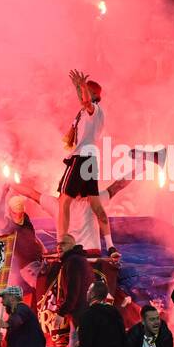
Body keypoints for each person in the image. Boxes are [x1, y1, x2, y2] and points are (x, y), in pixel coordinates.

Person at [56, 69, 112, 254]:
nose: (81, 94)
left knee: (64, 201)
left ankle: (61, 243)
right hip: (90, 159)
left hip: (82, 159)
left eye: (85, 90)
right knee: (95, 204)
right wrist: (78, 87)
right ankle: (110, 246)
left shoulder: (93, 110)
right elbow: (83, 100)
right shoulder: (84, 113)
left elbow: (86, 100)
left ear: (94, 95)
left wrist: (81, 86)